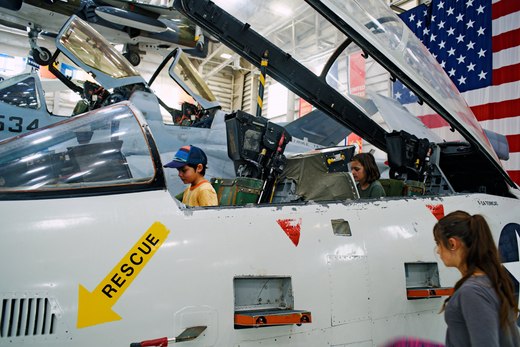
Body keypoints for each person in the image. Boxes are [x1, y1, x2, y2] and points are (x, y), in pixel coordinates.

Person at [433, 210, 520, 347]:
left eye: (438, 243)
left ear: (452, 244)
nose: (437, 250)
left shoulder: (472, 292)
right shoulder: (491, 282)